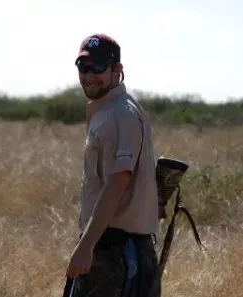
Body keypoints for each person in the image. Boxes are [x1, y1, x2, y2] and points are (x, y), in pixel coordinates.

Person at [64, 33, 161, 297]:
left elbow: (118, 182)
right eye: (83, 67)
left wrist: (86, 247)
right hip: (113, 249)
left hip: (116, 253)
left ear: (117, 70)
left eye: (97, 67)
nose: (89, 75)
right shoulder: (107, 110)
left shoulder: (120, 113)